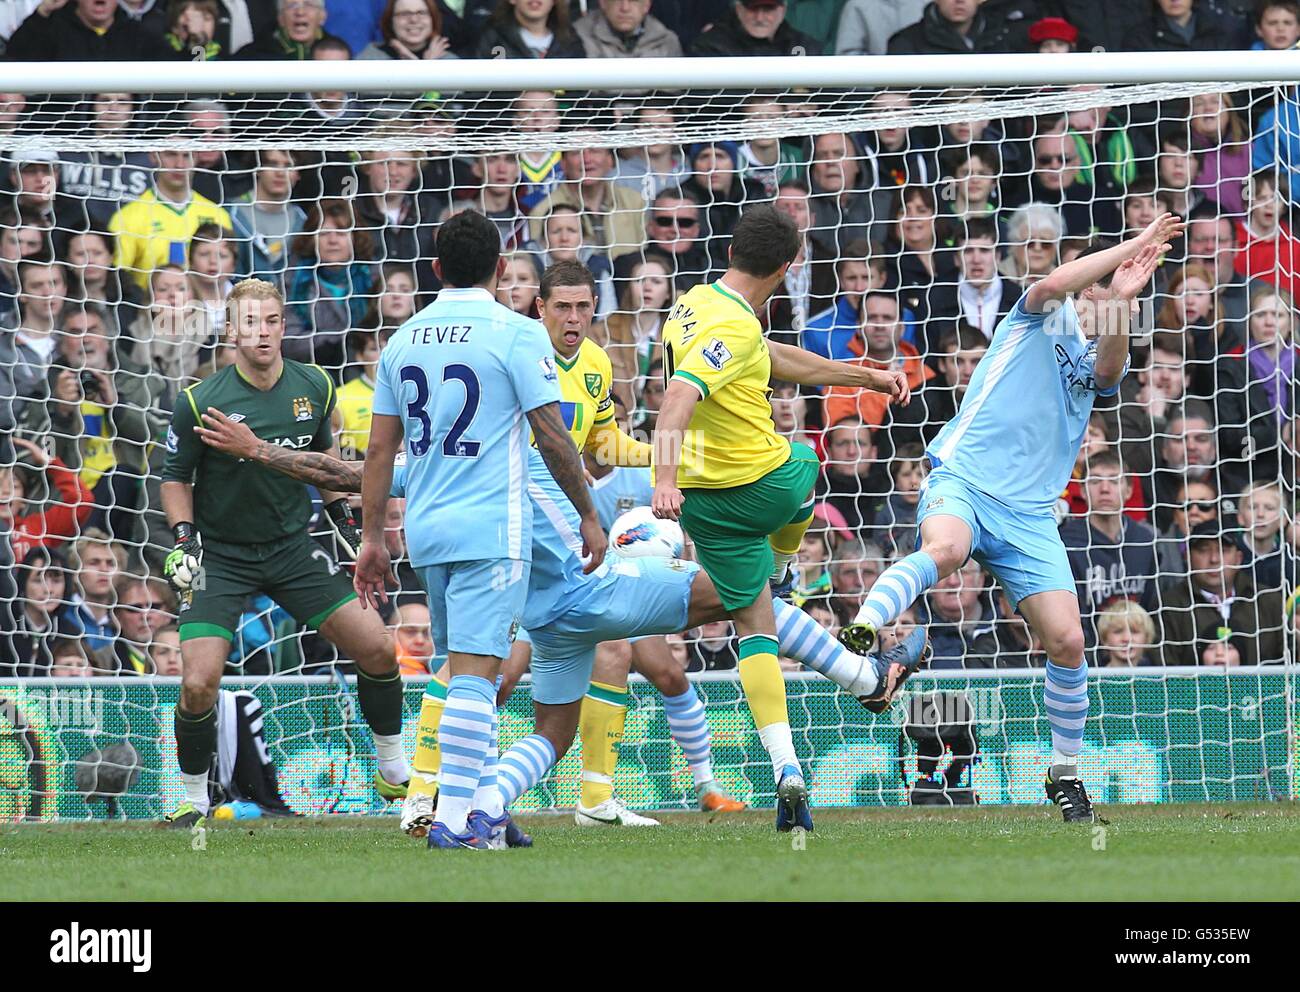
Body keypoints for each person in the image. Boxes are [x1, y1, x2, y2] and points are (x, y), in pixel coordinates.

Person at [840, 211, 1185, 822]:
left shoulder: (1099, 351)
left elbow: (1107, 371)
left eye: (1107, 295)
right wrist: (1133, 245)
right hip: (967, 480)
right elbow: (1056, 284)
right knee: (945, 551)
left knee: (1070, 640)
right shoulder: (1033, 318)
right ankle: (869, 630)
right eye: (1097, 289)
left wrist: (1125, 303)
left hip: (1029, 516)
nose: (1098, 298)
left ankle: (1065, 775)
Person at [651, 204, 910, 831]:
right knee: (804, 457)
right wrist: (659, 479)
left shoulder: (694, 304)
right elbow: (677, 400)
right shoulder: (732, 329)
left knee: (756, 627)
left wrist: (863, 375)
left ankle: (787, 770)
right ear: (788, 267)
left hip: (706, 507)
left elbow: (771, 356)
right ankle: (789, 566)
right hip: (758, 486)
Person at [352, 210, 604, 850]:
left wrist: (374, 537)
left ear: (434, 269)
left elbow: (379, 455)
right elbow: (551, 437)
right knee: (476, 674)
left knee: (460, 667)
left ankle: (483, 809)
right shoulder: (517, 333)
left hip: (429, 530)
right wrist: (588, 515)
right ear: (499, 269)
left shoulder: (402, 339)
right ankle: (455, 820)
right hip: (494, 527)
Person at [157, 277, 411, 830]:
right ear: (230, 330)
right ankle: (193, 797)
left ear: (283, 324)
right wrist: (184, 537)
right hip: (220, 557)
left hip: (293, 548)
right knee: (199, 681)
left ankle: (393, 769)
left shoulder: (315, 386)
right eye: (250, 322)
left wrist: (349, 521)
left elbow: (327, 461)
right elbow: (174, 478)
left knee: (378, 648)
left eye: (271, 321)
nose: (263, 332)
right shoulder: (201, 399)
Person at [1160, 521, 1285, 665]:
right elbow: (1164, 666)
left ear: (1238, 559)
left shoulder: (1268, 600)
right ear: (1188, 557)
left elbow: (1289, 659)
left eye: (1223, 550)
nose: (1214, 559)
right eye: (1203, 550)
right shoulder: (1168, 606)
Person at [108, 149, 232, 294]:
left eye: (186, 155)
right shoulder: (127, 217)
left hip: (208, 311)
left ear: (197, 158)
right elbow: (117, 278)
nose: (179, 164)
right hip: (149, 310)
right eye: (171, 154)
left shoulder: (218, 214)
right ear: (154, 156)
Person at [688, 0, 821, 57]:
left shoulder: (803, 45)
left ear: (782, 11)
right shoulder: (711, 45)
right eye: (753, 9)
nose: (760, 18)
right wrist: (748, 104)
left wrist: (801, 102)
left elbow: (831, 94)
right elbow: (699, 96)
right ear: (739, 10)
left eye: (768, 10)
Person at [574, 0, 682, 57]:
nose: (625, 8)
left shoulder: (667, 42)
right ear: (603, 2)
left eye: (634, 0)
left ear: (647, 5)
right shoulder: (577, 37)